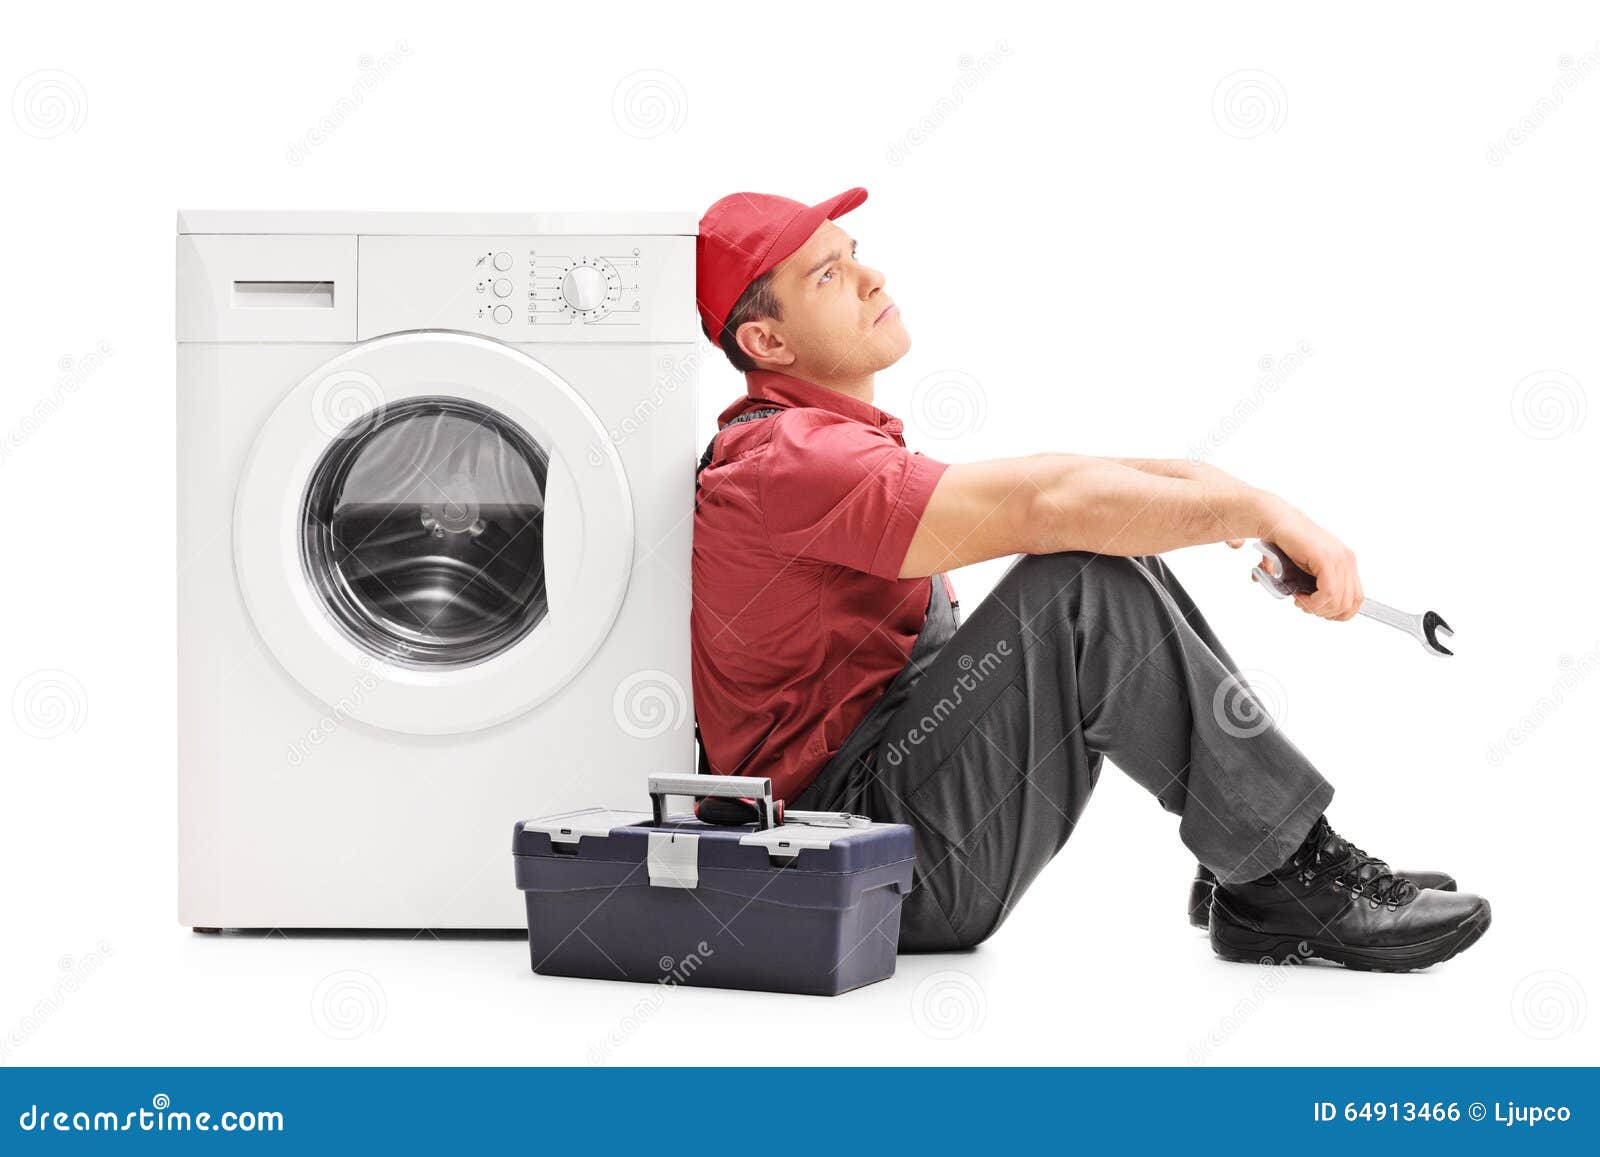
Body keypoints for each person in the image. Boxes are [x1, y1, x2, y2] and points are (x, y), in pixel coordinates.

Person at [690, 186, 1489, 970]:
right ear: (767, 344)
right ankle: (1283, 876)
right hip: (864, 866)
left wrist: (1207, 488)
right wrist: (1258, 509)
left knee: (1107, 546)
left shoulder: (823, 444)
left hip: (884, 829)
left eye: (854, 256)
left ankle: (1257, 864)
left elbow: (1059, 482)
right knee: (1078, 581)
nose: (873, 279)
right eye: (827, 276)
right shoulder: (787, 462)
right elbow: (1046, 500)